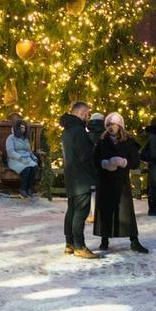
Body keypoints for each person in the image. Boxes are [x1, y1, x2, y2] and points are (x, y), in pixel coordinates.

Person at [93, 113, 148, 253]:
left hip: (121, 182)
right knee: (105, 210)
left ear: (120, 126)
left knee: (126, 212)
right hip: (105, 181)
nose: (110, 127)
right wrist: (104, 163)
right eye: (107, 125)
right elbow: (95, 159)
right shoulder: (102, 141)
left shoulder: (129, 141)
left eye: (113, 124)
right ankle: (104, 239)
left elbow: (135, 162)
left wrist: (123, 162)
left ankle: (134, 241)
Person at [60, 101, 98, 259]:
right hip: (81, 177)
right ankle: (79, 246)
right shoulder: (79, 130)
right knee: (81, 212)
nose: (88, 117)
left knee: (71, 210)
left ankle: (69, 243)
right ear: (81, 113)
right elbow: (84, 155)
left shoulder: (67, 130)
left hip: (71, 176)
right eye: (87, 114)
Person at [5, 119, 39, 198]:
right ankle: (23, 189)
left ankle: (29, 188)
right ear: (17, 128)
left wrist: (34, 157)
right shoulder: (11, 138)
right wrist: (21, 158)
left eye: (24, 128)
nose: (23, 129)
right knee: (26, 169)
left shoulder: (25, 138)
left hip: (27, 159)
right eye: (21, 128)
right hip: (15, 159)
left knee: (34, 167)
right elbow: (10, 152)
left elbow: (29, 151)